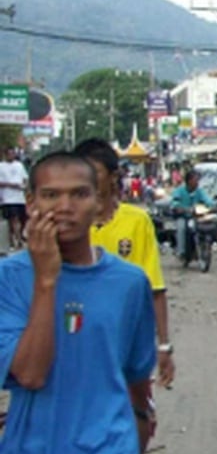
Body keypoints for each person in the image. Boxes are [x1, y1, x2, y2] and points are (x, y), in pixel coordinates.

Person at [0, 151, 157, 454]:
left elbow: (135, 383)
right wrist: (47, 280)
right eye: (50, 194)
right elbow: (30, 374)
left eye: (79, 194)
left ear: (102, 205)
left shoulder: (129, 284)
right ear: (29, 201)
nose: (63, 206)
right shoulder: (9, 280)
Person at [75, 138, 175, 388]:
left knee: (134, 416)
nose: (87, 180)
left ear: (113, 176)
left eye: (94, 173)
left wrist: (163, 344)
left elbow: (154, 287)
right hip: (76, 343)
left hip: (126, 341)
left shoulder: (137, 221)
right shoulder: (68, 224)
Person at [169, 169, 215, 258]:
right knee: (181, 228)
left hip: (195, 216)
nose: (197, 182)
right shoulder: (179, 190)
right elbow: (174, 202)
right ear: (189, 181)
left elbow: (207, 200)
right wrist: (179, 208)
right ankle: (181, 251)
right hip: (182, 216)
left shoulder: (199, 191)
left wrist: (212, 206)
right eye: (195, 180)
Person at [0, 146, 29, 252]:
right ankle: (18, 240)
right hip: (7, 198)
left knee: (23, 219)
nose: (11, 156)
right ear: (5, 155)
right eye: (9, 154)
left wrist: (24, 186)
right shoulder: (1, 166)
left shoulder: (19, 165)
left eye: (13, 154)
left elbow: (25, 178)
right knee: (13, 219)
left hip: (19, 197)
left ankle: (16, 237)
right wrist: (11, 185)